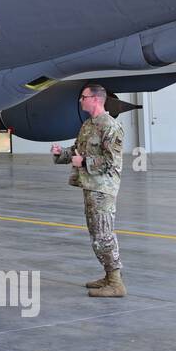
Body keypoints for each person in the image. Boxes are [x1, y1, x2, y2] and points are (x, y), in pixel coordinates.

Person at [52, 84, 127, 298]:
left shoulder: (110, 126)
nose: (80, 100)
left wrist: (83, 161)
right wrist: (61, 153)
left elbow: (112, 162)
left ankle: (116, 283)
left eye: (83, 97)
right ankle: (108, 276)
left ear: (95, 99)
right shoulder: (87, 125)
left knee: (103, 235)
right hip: (90, 187)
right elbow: (76, 150)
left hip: (103, 189)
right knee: (96, 235)